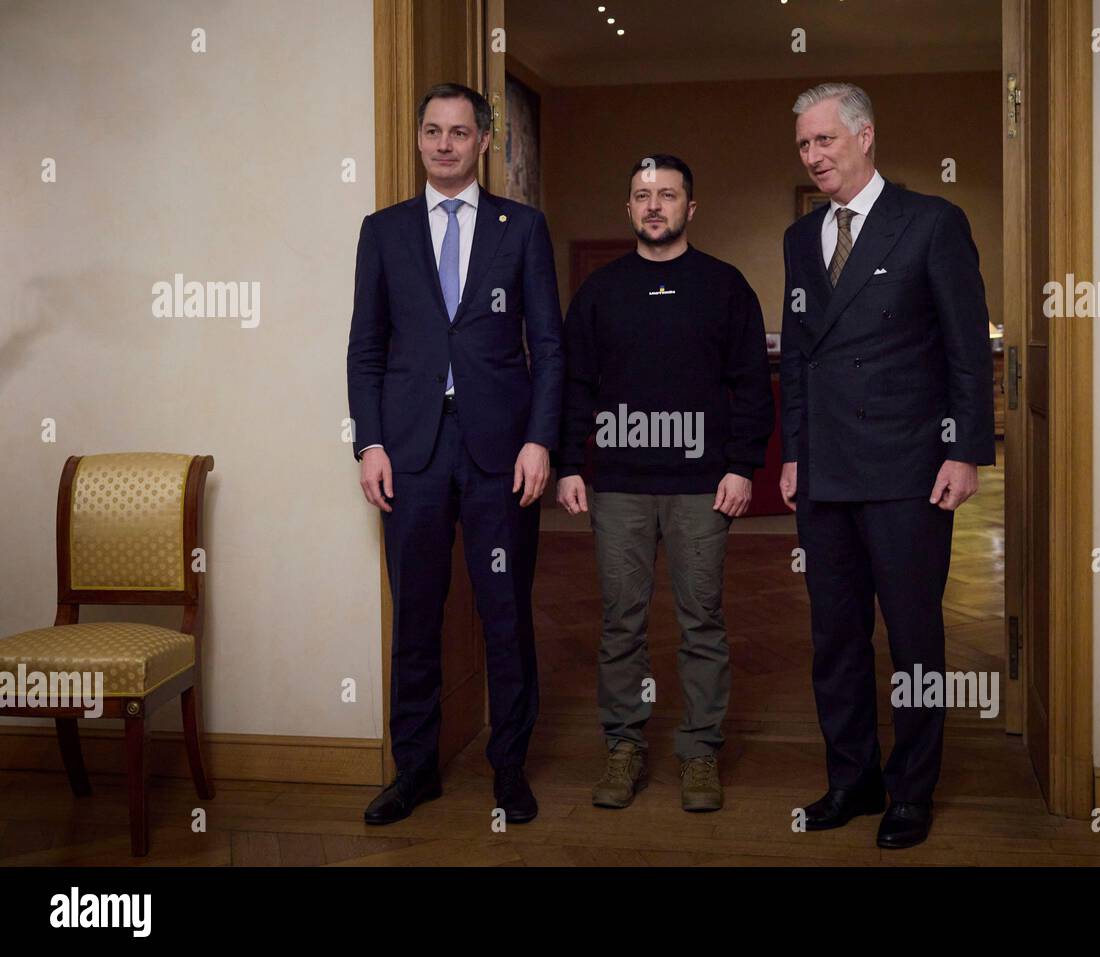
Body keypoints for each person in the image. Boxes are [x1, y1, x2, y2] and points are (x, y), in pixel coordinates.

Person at [779, 83, 995, 848]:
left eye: (825, 140)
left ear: (865, 137)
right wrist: (795, 454)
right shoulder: (800, 238)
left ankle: (912, 787)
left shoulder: (931, 223)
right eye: (804, 144)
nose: (813, 155)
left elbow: (969, 351)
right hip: (826, 475)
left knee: (913, 638)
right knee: (833, 638)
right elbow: (800, 358)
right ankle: (852, 778)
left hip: (908, 469)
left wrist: (968, 450)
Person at [346, 82, 563, 826]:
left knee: (505, 614)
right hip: (410, 454)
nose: (445, 143)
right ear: (418, 139)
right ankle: (414, 771)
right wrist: (369, 442)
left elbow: (551, 346)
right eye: (433, 130)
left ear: (483, 141)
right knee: (416, 617)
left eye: (460, 132)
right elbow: (365, 349)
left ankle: (509, 771)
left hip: (502, 455)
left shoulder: (523, 227)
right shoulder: (383, 230)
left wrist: (541, 440)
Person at [555, 154, 773, 813]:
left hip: (702, 486)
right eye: (643, 195)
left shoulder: (725, 286)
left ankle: (699, 750)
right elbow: (574, 387)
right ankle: (624, 745)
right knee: (622, 620)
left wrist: (741, 466)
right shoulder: (599, 292)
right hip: (618, 484)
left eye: (668, 195)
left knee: (700, 618)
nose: (655, 205)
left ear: (689, 208)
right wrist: (569, 463)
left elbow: (751, 389)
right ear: (628, 208)